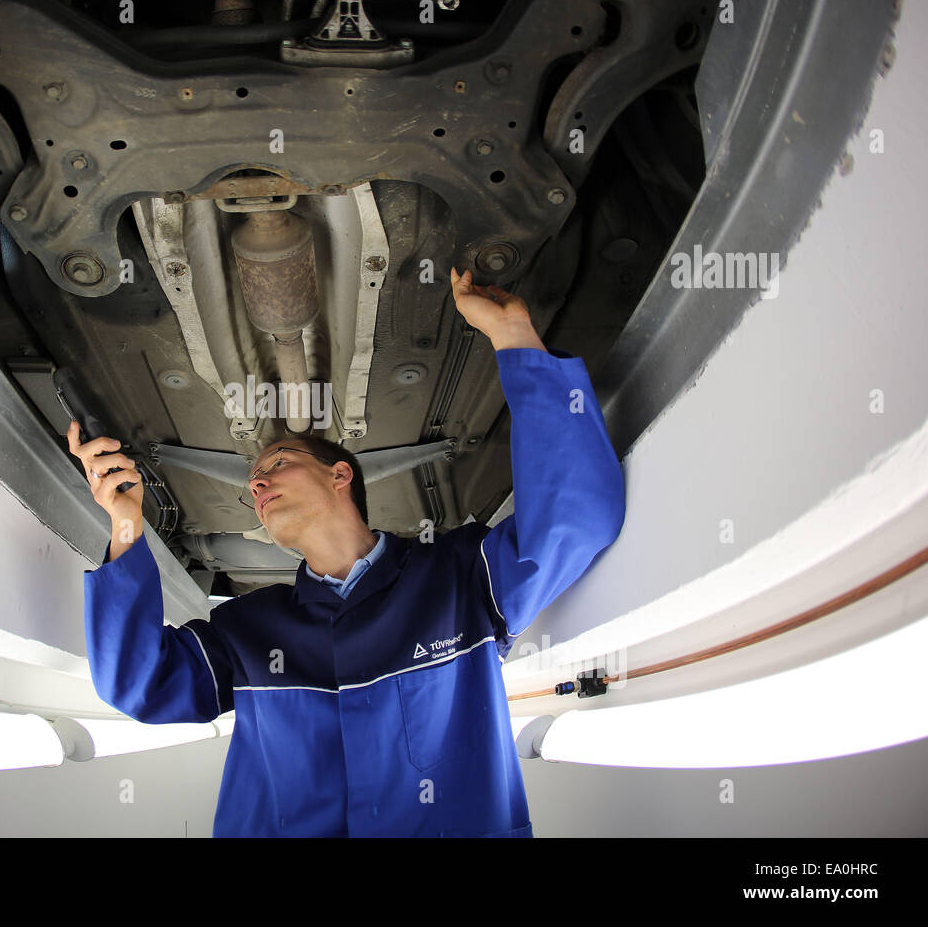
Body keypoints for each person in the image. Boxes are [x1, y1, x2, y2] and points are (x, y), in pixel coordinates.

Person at [66, 266, 626, 837]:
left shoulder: (462, 579)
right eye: (253, 482)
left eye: (277, 463)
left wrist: (514, 337)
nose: (257, 484)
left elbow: (575, 521)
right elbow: (140, 684)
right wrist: (128, 524)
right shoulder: (246, 629)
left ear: (340, 475)